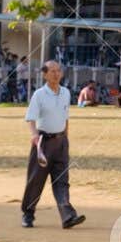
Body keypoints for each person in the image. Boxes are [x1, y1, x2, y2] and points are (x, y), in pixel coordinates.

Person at [21, 60, 84, 230]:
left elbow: (66, 117)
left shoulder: (66, 93)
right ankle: (28, 214)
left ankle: (68, 216)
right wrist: (34, 135)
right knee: (36, 180)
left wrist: (66, 138)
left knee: (62, 180)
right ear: (45, 74)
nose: (56, 74)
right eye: (52, 71)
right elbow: (30, 118)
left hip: (61, 142)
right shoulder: (39, 95)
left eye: (58, 71)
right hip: (43, 143)